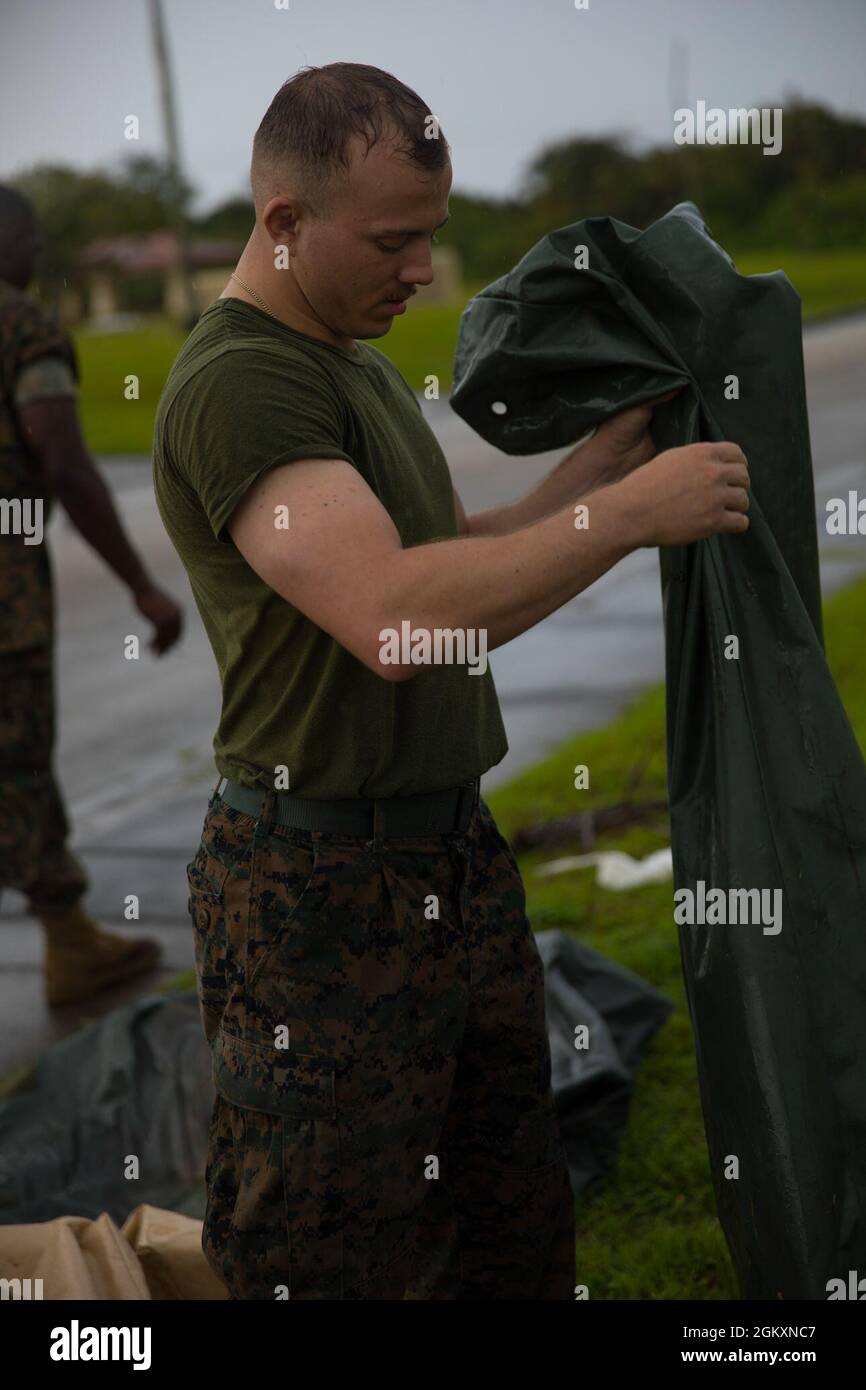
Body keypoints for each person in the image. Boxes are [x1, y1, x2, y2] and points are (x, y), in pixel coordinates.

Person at [153, 62, 750, 1300]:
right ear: (283, 221)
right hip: (316, 894)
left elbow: (447, 558)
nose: (423, 269)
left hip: (446, 861)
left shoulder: (350, 360)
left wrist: (592, 476)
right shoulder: (241, 381)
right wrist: (625, 519)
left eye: (430, 233)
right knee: (325, 1255)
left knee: (504, 1215)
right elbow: (390, 617)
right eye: (393, 241)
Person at [0, 186, 183, 1008]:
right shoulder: (24, 328)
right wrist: (142, 585)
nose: (35, 257)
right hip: (6, 599)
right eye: (30, 241)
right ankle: (69, 940)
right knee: (18, 760)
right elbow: (67, 464)